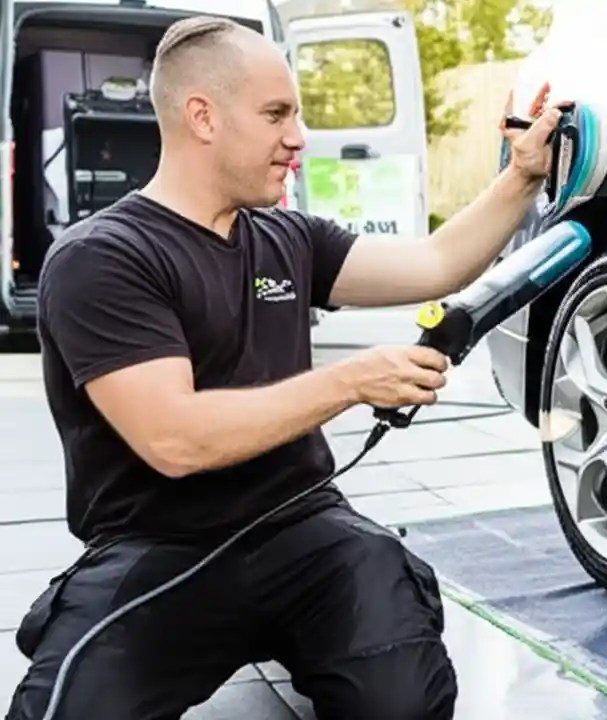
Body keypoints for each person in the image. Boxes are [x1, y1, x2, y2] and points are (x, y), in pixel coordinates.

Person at [6, 14, 563, 720]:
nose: (298, 137)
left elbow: (436, 263)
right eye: (276, 115)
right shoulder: (103, 258)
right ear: (202, 117)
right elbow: (175, 439)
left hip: (305, 528)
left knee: (403, 703)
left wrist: (521, 175)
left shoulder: (288, 238)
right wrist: (351, 381)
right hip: (161, 547)